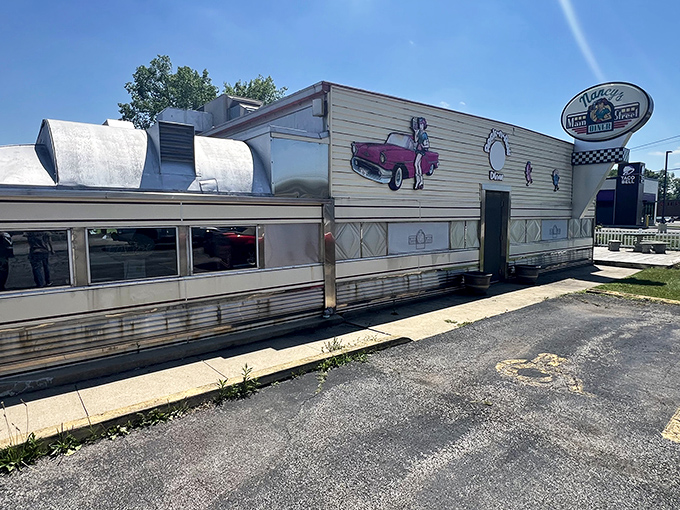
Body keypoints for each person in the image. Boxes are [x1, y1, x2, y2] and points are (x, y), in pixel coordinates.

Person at [412, 117, 429, 190]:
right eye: (420, 124)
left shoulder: (424, 134)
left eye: (422, 124)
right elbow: (415, 140)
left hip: (421, 150)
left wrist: (423, 145)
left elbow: (427, 144)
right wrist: (415, 132)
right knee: (418, 165)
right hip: (418, 149)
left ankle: (419, 181)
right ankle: (420, 181)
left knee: (416, 164)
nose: (420, 126)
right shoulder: (418, 132)